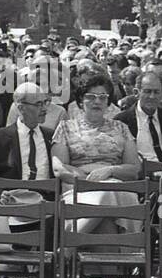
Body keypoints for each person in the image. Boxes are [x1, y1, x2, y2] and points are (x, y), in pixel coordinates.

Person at [53, 72, 142, 233]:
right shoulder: (66, 127)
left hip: (117, 187)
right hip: (78, 188)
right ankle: (122, 254)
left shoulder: (122, 128)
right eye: (91, 96)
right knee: (106, 202)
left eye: (102, 97)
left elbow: (134, 169)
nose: (97, 101)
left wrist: (109, 170)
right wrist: (90, 183)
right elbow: (59, 168)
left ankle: (70, 241)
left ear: (108, 101)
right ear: (80, 100)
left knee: (109, 199)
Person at [0, 82, 55, 184]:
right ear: (21, 108)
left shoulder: (52, 137)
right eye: (38, 104)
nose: (44, 109)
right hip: (12, 197)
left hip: (47, 197)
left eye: (45, 102)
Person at [119, 71, 162, 164]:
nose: (152, 96)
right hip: (141, 173)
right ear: (136, 92)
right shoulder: (122, 120)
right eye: (147, 91)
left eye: (156, 92)